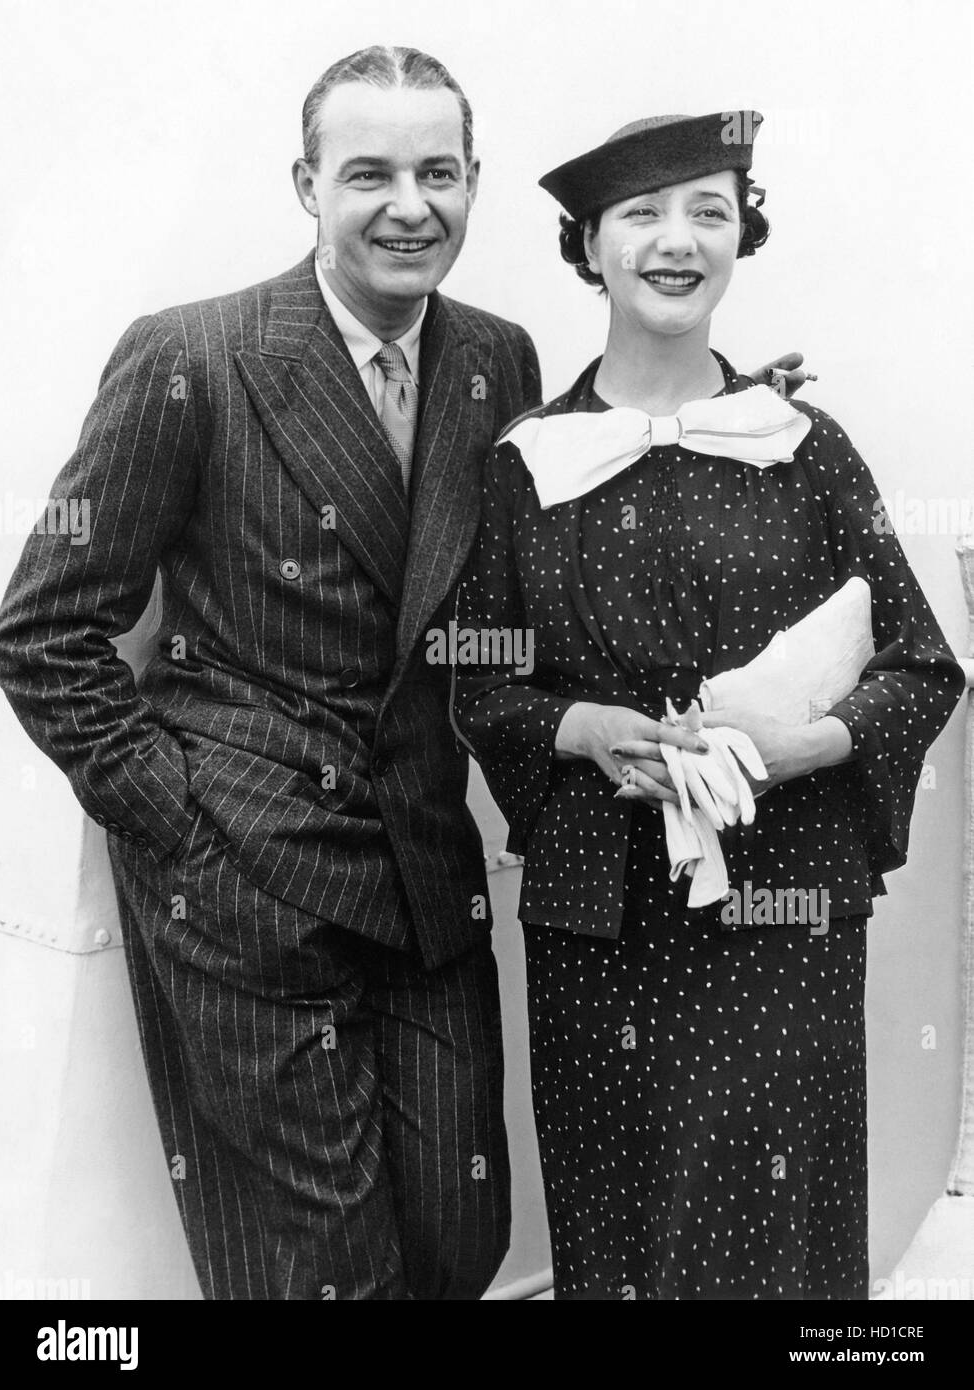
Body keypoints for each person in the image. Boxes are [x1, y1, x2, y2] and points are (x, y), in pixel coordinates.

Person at [0, 47, 807, 1301]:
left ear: (474, 183)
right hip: (245, 877)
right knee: (316, 1271)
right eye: (368, 173)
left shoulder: (500, 358)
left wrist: (746, 426)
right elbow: (44, 632)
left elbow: (561, 527)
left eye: (437, 171)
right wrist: (183, 820)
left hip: (425, 872)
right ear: (306, 184)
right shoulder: (190, 356)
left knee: (457, 1241)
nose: (407, 204)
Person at [453, 111, 965, 1300]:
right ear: (589, 244)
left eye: (709, 213)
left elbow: (921, 665)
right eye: (641, 214)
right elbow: (482, 676)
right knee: (624, 1223)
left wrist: (805, 746)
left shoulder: (806, 445)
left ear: (744, 237)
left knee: (779, 1234)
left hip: (781, 907)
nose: (676, 242)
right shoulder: (526, 460)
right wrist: (584, 731)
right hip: (603, 914)